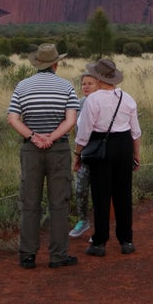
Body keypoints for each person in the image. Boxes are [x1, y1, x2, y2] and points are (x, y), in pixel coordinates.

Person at [6, 43, 80, 269]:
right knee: (59, 203)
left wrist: (33, 137)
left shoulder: (22, 86)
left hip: (31, 151)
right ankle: (58, 256)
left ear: (38, 63)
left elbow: (13, 118)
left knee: (30, 203)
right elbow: (71, 120)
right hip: (58, 150)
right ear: (56, 64)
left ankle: (27, 255)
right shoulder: (66, 87)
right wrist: (51, 138)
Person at [76, 58, 142, 257]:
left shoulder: (92, 100)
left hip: (100, 148)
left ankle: (99, 242)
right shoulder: (128, 98)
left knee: (101, 195)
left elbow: (84, 132)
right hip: (124, 145)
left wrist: (77, 155)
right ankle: (126, 240)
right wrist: (136, 155)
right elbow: (136, 132)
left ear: (98, 77)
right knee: (123, 194)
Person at [68, 74, 98, 238]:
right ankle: (83, 220)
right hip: (84, 154)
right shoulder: (79, 103)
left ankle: (100, 229)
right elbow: (77, 130)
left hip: (101, 155)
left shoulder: (102, 102)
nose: (86, 86)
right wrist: (77, 154)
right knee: (80, 189)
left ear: (98, 84)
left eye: (90, 83)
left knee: (100, 192)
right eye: (83, 84)